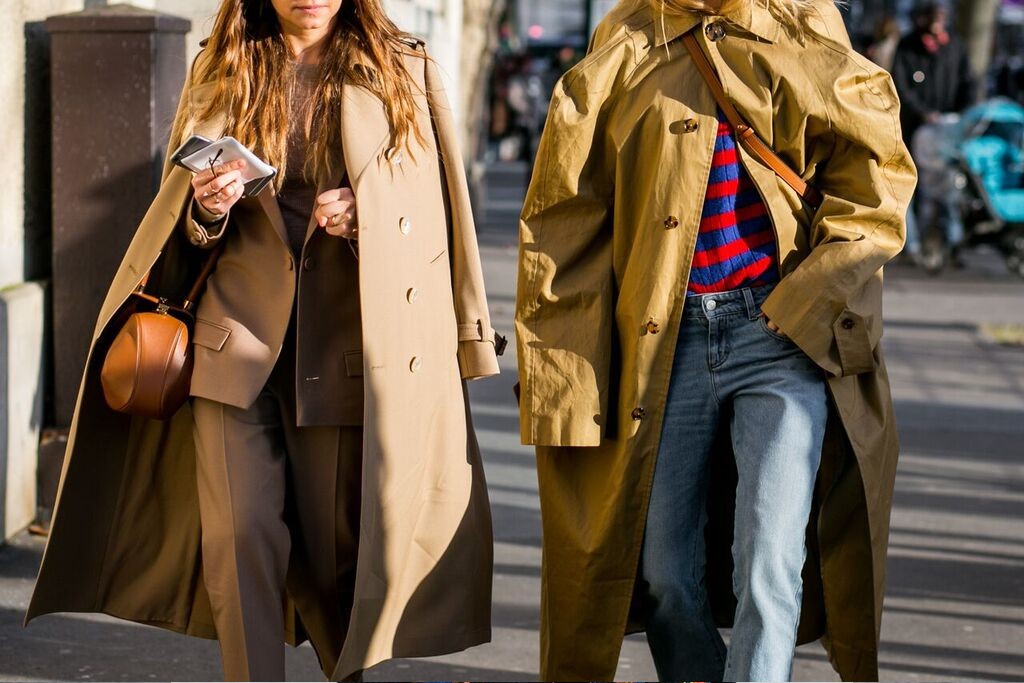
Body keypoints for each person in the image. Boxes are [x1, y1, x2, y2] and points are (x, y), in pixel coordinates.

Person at [26, 1, 501, 680]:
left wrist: (372, 218)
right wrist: (206, 208)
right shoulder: (222, 68)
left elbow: (441, 212)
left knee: (340, 558)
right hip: (232, 344)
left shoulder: (406, 69)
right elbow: (178, 229)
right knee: (238, 536)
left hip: (350, 348)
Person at [516, 0, 916, 681]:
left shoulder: (802, 23)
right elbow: (565, 211)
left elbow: (874, 177)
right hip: (660, 343)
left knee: (769, 560)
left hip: (779, 333)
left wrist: (809, 298)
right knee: (666, 571)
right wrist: (562, 368)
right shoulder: (628, 37)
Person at [892, 1, 974, 262]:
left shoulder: (955, 47)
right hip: (915, 128)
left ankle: (952, 242)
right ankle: (912, 245)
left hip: (948, 130)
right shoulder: (908, 46)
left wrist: (962, 114)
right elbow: (900, 84)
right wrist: (923, 112)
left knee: (948, 187)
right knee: (912, 187)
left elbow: (968, 82)